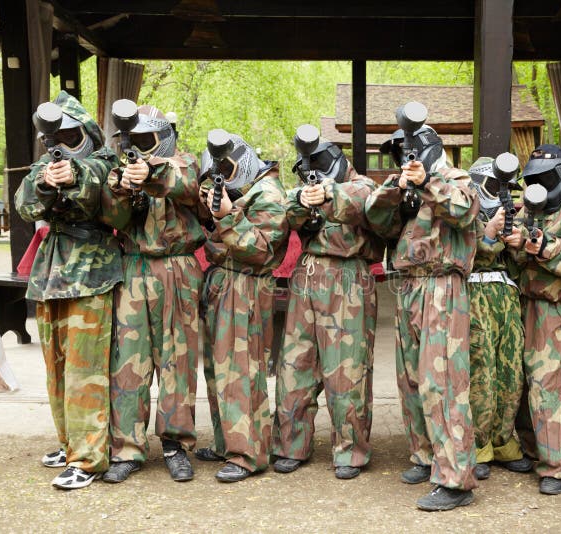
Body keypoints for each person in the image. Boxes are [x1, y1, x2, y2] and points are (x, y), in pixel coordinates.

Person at [365, 123, 479, 511]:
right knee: (412, 379)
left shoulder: (454, 178)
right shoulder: (406, 188)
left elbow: (464, 212)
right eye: (399, 155)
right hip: (408, 285)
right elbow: (376, 222)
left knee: (442, 381)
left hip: (442, 286)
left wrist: (428, 181)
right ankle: (426, 456)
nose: (404, 160)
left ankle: (456, 479)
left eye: (409, 151)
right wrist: (395, 190)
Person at [15, 91, 121, 489]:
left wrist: (74, 175)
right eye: (54, 136)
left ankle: (88, 458)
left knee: (86, 371)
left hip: (92, 274)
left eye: (69, 133)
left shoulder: (106, 161)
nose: (60, 142)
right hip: (51, 277)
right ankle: (70, 442)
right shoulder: (46, 163)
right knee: (57, 369)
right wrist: (44, 182)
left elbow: (105, 193)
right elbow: (25, 206)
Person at [272, 130, 384, 480]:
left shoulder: (362, 185)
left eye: (318, 165)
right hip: (307, 277)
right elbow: (284, 213)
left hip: (347, 277)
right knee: (295, 365)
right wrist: (303, 201)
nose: (313, 173)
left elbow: (364, 202)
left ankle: (350, 450)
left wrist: (326, 193)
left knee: (346, 371)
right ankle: (291, 445)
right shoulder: (305, 190)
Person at [101, 104, 205, 483]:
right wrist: (123, 189)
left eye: (146, 141)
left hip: (177, 268)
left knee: (177, 362)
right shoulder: (120, 174)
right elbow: (111, 219)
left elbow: (187, 183)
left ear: (165, 137)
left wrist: (150, 173)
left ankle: (176, 445)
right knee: (128, 363)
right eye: (132, 141)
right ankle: (127, 449)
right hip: (132, 267)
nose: (139, 149)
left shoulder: (186, 163)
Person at [502, 144, 561, 495]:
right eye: (532, 179)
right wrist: (514, 241)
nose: (536, 185)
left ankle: (559, 467)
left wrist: (541, 246)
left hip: (553, 308)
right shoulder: (531, 206)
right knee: (522, 384)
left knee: (549, 387)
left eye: (543, 178)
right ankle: (533, 450)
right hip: (522, 301)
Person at [194, 131, 290, 482]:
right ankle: (226, 443)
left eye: (228, 167)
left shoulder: (269, 193)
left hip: (245, 284)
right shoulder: (245, 190)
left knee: (241, 371)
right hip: (223, 281)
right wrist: (216, 211)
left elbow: (261, 250)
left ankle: (247, 452)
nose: (223, 174)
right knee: (218, 371)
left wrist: (228, 214)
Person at [465, 157, 531, 481]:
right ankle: (478, 446)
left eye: (505, 187)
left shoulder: (513, 214)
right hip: (476, 297)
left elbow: (521, 258)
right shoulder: (465, 211)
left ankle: (504, 441)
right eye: (494, 185)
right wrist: (489, 233)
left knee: (511, 371)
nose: (500, 193)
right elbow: (465, 254)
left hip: (507, 297)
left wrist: (518, 240)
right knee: (482, 372)